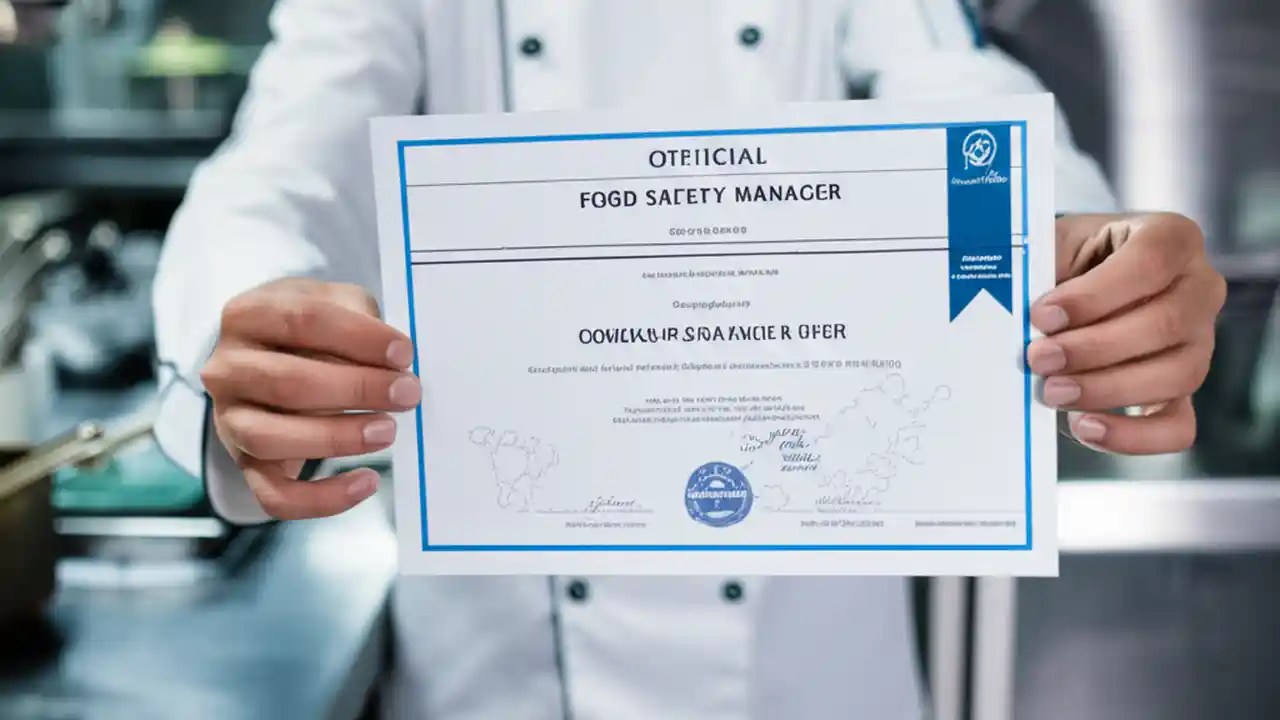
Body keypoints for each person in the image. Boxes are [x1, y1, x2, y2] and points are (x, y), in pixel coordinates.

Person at [151, 1, 1227, 718]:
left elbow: (954, 92)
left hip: (812, 678)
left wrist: (1087, 252)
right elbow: (280, 161)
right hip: (499, 680)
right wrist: (245, 317)